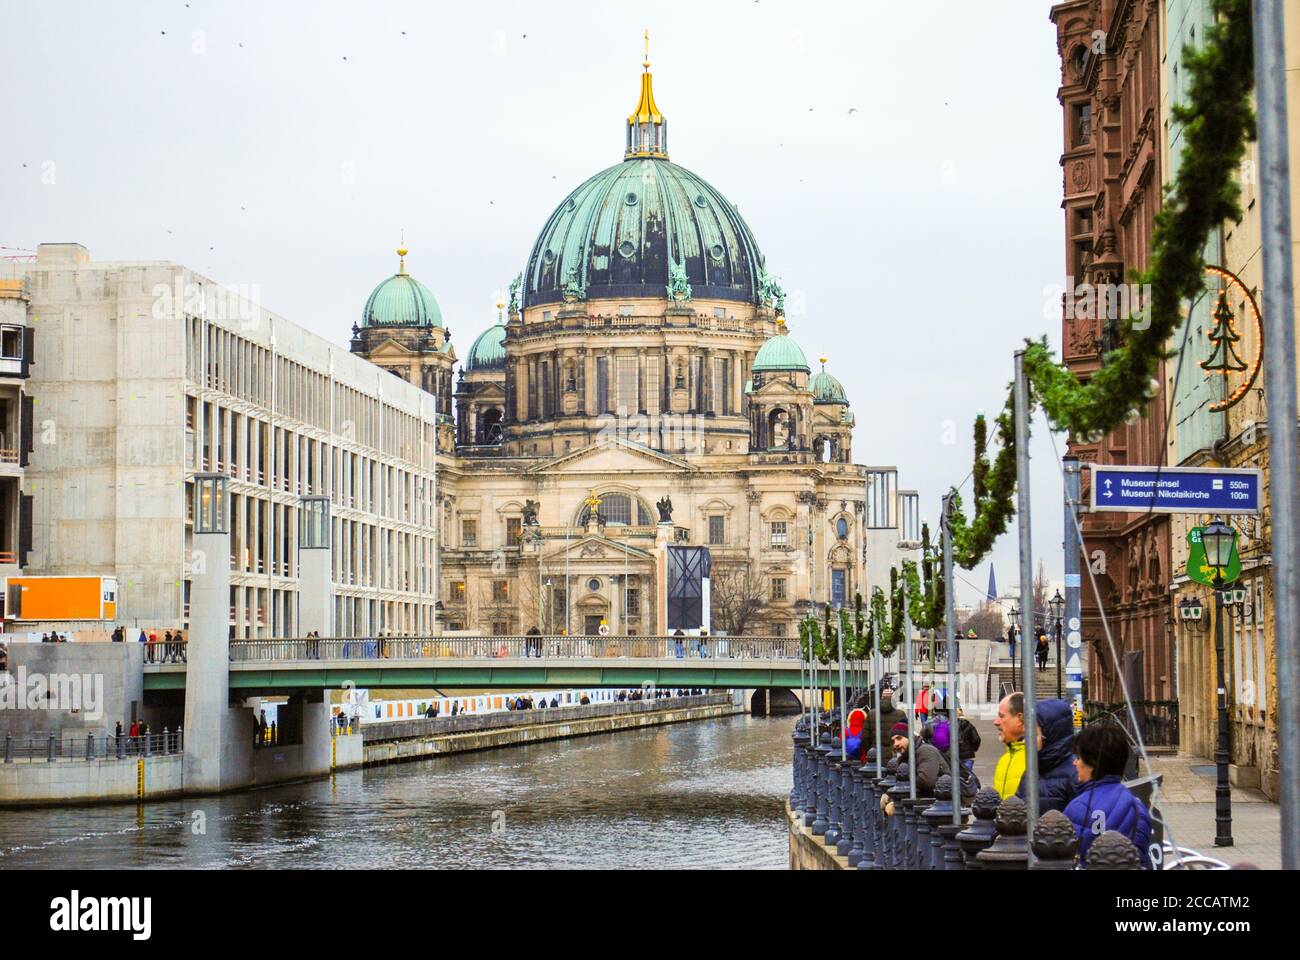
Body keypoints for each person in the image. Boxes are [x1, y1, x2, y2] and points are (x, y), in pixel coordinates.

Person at [1064, 722, 1152, 868]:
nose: (1075, 762)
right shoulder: (1138, 806)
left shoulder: (1077, 808)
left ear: (1092, 762)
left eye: (1079, 757)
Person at [1018, 698, 1081, 814]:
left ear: (1051, 736)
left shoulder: (1076, 775)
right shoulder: (1029, 773)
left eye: (1033, 734)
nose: (1025, 741)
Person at [889, 721, 949, 795]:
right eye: (893, 741)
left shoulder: (925, 751)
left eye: (899, 738)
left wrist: (905, 779)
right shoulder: (904, 756)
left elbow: (926, 781)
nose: (896, 744)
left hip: (939, 801)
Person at [993, 692, 1026, 799]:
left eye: (1001, 716)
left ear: (1020, 718)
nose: (996, 722)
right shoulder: (1004, 760)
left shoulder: (1036, 760)